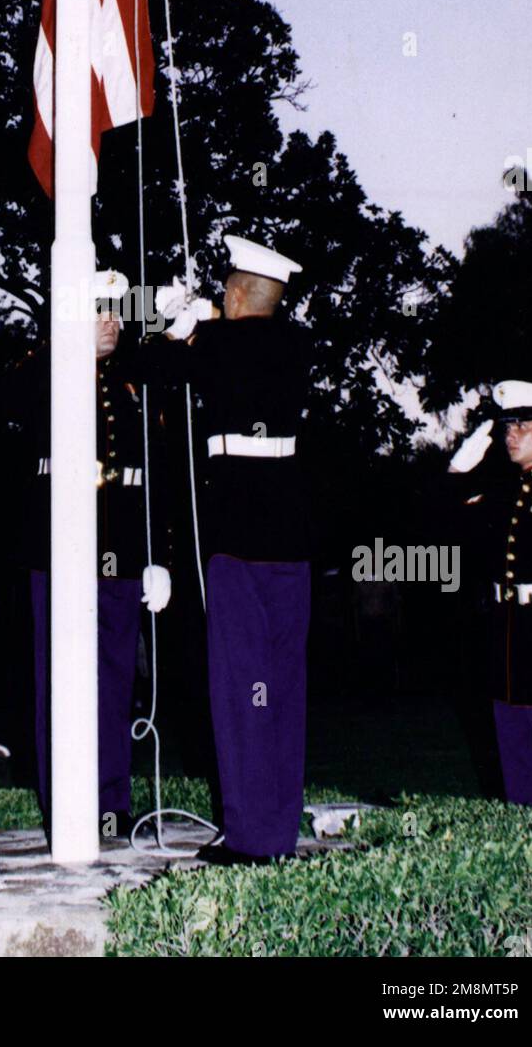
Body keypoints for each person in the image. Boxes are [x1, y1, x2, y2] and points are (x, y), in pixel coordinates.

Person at [130, 235, 313, 865]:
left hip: (235, 540)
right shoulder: (294, 345)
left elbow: (154, 369)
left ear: (236, 294)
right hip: (290, 539)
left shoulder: (222, 343)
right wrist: (202, 323)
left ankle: (249, 837)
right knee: (281, 687)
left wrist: (177, 324)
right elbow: (233, 349)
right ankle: (277, 832)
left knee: (241, 687)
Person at [18, 271, 171, 838]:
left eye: (115, 312)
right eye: (97, 311)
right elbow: (5, 401)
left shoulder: (138, 375)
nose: (109, 322)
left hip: (122, 543)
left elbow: (160, 470)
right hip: (58, 538)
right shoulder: (47, 363)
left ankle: (111, 800)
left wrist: (160, 553)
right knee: (58, 675)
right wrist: (74, 349)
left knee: (113, 675)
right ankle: (64, 802)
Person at [449, 379, 532, 807]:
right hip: (508, 635)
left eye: (522, 424)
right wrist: (462, 466)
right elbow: (439, 516)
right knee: (515, 751)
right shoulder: (500, 492)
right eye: (505, 427)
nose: (510, 434)